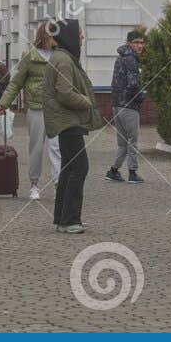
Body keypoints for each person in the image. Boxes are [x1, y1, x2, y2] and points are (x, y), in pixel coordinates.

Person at [43, 18, 99, 233]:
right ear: (69, 37)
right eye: (79, 34)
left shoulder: (61, 57)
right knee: (79, 168)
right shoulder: (64, 60)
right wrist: (87, 102)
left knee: (68, 168)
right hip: (67, 120)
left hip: (64, 120)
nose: (82, 38)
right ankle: (71, 220)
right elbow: (65, 93)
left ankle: (62, 218)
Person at [0, 22, 62, 201]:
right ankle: (34, 184)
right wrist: (4, 104)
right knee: (36, 148)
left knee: (57, 148)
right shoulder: (29, 57)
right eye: (52, 35)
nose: (55, 39)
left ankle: (58, 184)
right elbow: (16, 83)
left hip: (57, 108)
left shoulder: (61, 56)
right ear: (44, 36)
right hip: (36, 108)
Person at [106, 28, 147, 184]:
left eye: (142, 43)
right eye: (136, 42)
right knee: (132, 141)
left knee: (122, 142)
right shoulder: (131, 59)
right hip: (129, 105)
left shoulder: (121, 57)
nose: (140, 46)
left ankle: (113, 171)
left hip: (117, 104)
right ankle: (132, 173)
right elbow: (133, 84)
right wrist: (141, 97)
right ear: (129, 43)